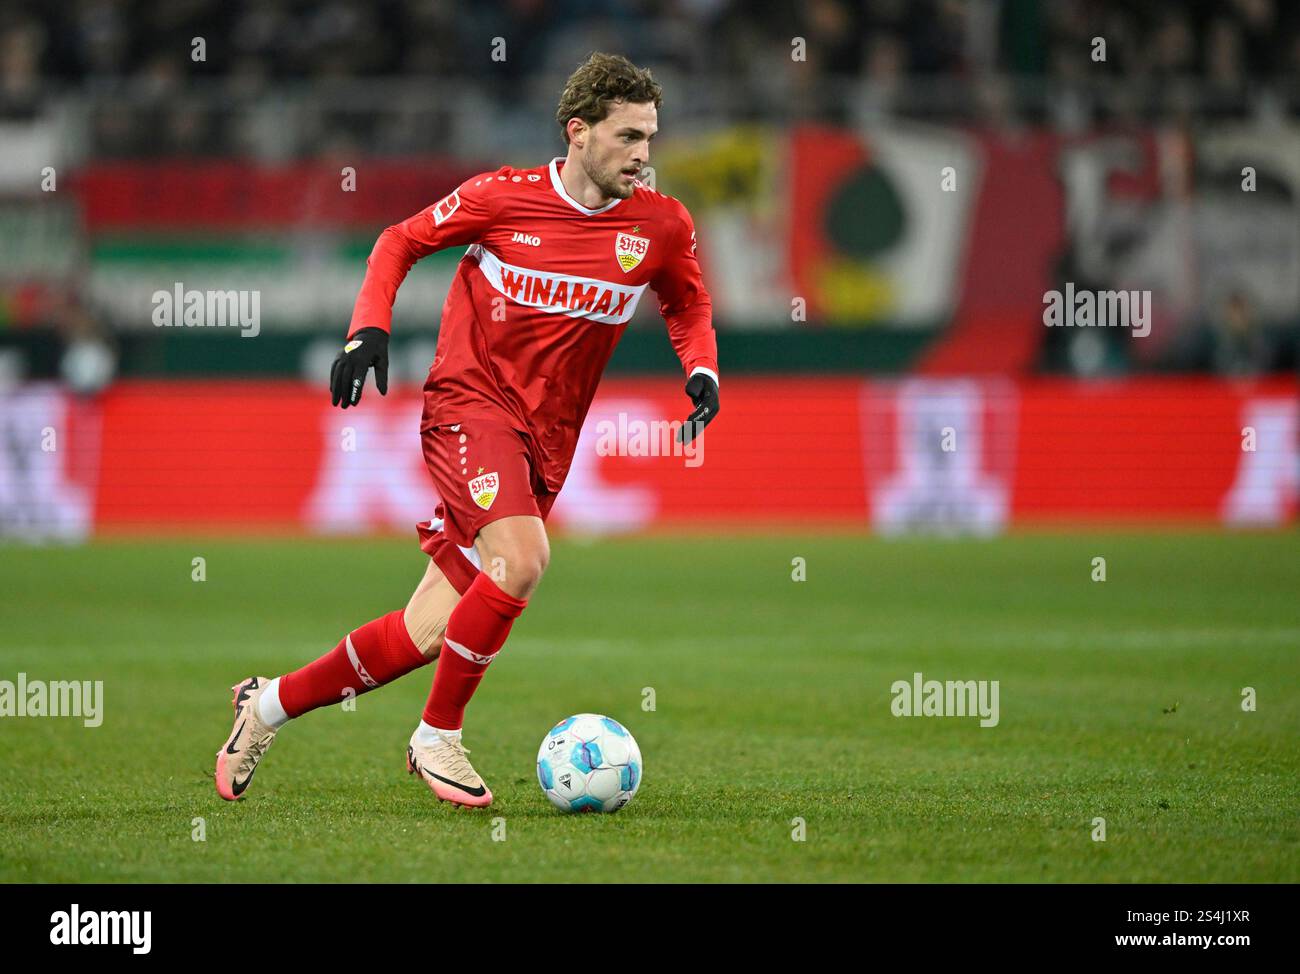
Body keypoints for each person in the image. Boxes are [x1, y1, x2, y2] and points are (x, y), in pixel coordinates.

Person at [214, 52, 720, 807]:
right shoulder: (501, 197)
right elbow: (398, 240)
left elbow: (686, 304)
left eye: (650, 136)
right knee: (521, 560)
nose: (644, 155)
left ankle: (267, 707)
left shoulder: (659, 223)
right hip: (469, 407)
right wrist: (368, 329)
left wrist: (701, 369)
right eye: (627, 137)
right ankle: (437, 735)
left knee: (425, 632)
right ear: (578, 133)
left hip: (547, 442)